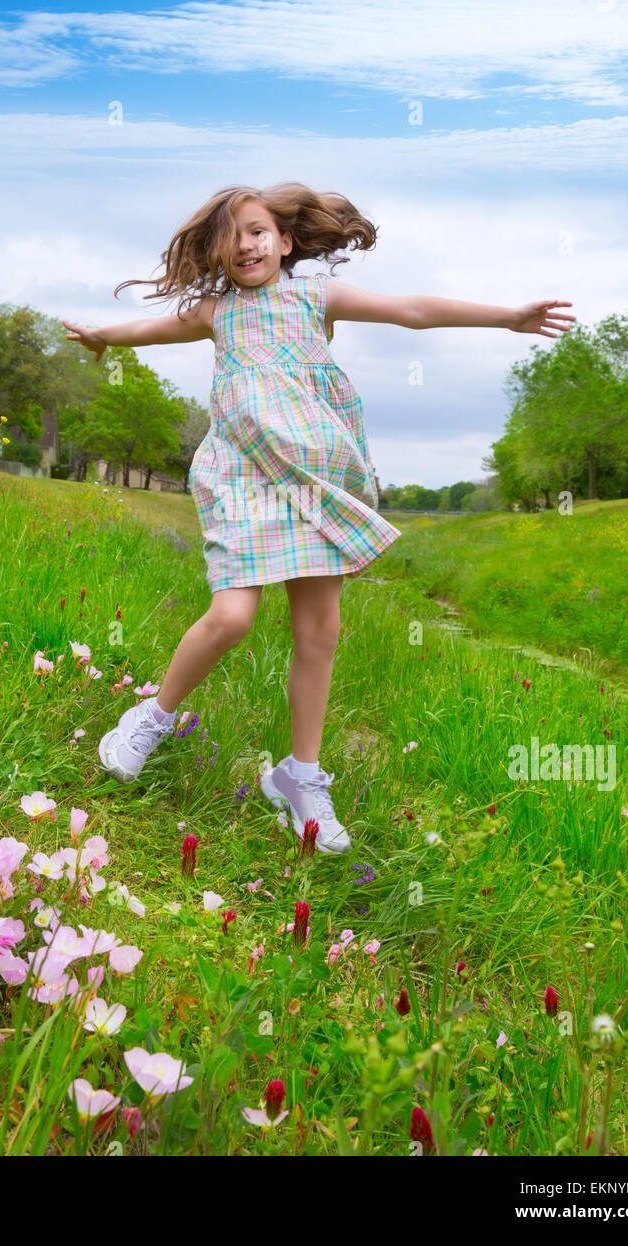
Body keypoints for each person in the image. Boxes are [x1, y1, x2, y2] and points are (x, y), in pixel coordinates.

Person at [63, 182, 574, 854]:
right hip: (242, 474)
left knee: (319, 630)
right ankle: (151, 717)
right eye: (232, 235)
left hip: (314, 475)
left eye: (257, 230)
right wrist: (102, 335)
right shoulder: (215, 312)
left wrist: (507, 316)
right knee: (233, 617)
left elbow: (413, 310)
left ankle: (299, 776)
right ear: (215, 249)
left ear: (284, 239)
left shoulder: (314, 297)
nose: (246, 244)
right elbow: (147, 331)